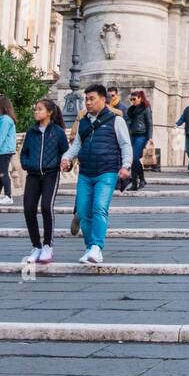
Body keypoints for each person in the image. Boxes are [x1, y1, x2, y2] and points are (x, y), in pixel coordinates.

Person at [60, 84, 132, 265]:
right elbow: (77, 145)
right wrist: (67, 157)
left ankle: (96, 247)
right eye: (86, 99)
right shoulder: (84, 121)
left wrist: (126, 166)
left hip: (107, 171)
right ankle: (90, 247)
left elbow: (125, 145)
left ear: (102, 99)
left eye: (91, 99)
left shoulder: (116, 120)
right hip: (85, 172)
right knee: (83, 211)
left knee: (99, 208)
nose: (88, 102)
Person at [19, 99, 68, 264]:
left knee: (46, 207)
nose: (36, 112)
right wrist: (27, 164)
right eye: (35, 109)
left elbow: (65, 153)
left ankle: (48, 245)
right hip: (32, 175)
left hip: (50, 175)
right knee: (28, 209)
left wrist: (64, 164)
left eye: (39, 109)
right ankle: (36, 246)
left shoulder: (58, 132)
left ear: (49, 112)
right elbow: (23, 153)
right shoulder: (31, 132)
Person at [124, 90, 153, 190]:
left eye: (134, 99)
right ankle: (136, 183)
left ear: (140, 98)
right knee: (133, 160)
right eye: (131, 99)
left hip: (142, 136)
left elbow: (149, 123)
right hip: (132, 136)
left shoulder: (146, 108)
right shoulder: (131, 110)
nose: (132, 101)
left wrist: (149, 138)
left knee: (135, 158)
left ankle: (141, 179)